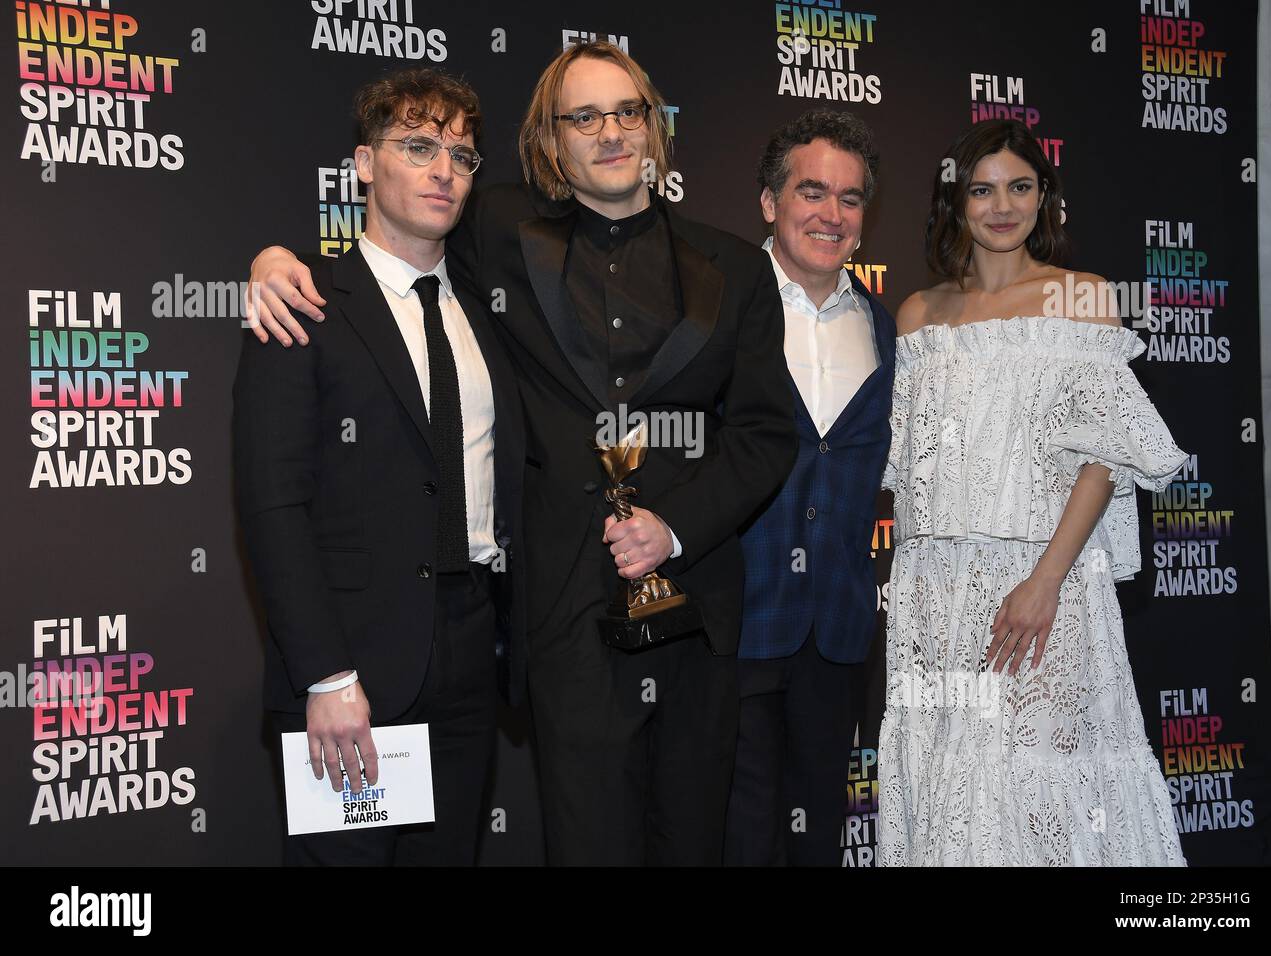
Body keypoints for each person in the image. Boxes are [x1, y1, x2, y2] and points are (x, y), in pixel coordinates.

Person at [244, 41, 796, 865]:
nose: (609, 132)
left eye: (627, 112)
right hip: (559, 614)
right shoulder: (496, 232)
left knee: (692, 841)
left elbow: (766, 433)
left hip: (695, 605)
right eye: (584, 116)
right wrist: (271, 259)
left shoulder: (740, 269)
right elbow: (385, 251)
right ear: (551, 140)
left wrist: (675, 527)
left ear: (654, 127)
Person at [233, 68, 526, 865]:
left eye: (462, 157)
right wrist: (323, 676)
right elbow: (272, 502)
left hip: (472, 647)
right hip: (351, 659)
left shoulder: (487, 309)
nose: (444, 171)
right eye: (418, 146)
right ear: (365, 164)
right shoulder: (306, 299)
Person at [879, 118, 1188, 865]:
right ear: (954, 203)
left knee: (1041, 787)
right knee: (948, 784)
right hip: (935, 599)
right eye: (981, 190)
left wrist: (1044, 581)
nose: (1001, 206)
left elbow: (1105, 457)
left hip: (1043, 587)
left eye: (1020, 187)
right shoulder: (917, 315)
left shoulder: (1078, 298)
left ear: (1044, 198)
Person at [725, 110, 894, 866]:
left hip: (839, 636)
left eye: (850, 199)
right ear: (769, 202)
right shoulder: (718, 308)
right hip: (735, 626)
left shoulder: (886, 328)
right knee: (736, 835)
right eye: (812, 191)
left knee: (816, 837)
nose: (831, 214)